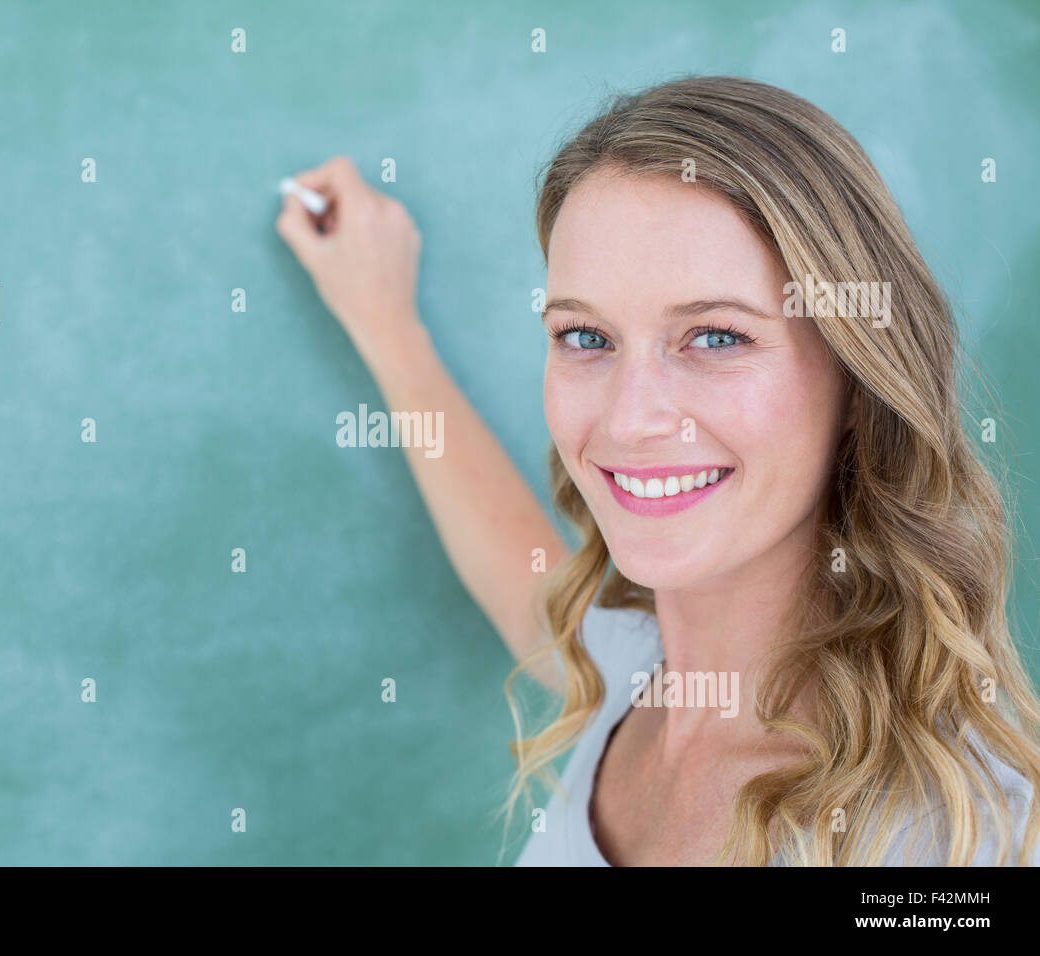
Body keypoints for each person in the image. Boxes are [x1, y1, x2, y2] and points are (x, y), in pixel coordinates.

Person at [275, 75, 1040, 866]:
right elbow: (520, 582)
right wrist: (383, 320)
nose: (629, 420)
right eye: (585, 337)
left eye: (714, 337)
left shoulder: (964, 836)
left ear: (855, 376)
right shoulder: (633, 669)